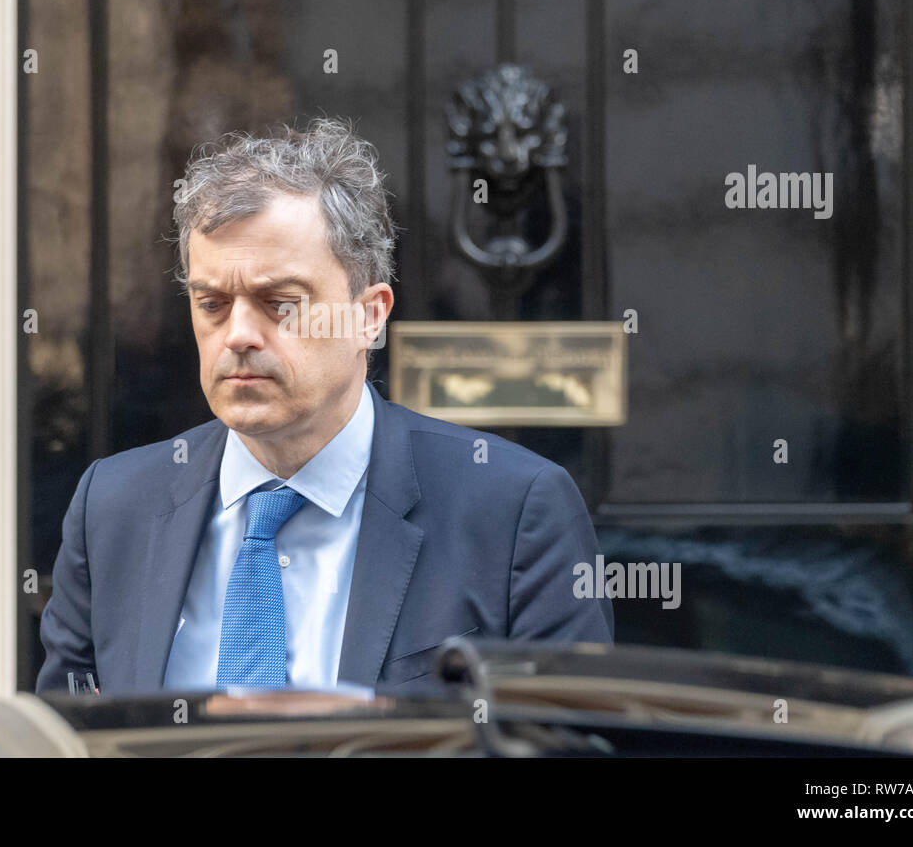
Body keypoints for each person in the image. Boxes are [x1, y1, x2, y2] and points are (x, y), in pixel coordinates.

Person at [36, 117, 612, 695]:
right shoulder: (113, 506)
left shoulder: (513, 511)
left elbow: (561, 738)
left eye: (280, 303)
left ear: (369, 315)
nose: (238, 334)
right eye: (212, 303)